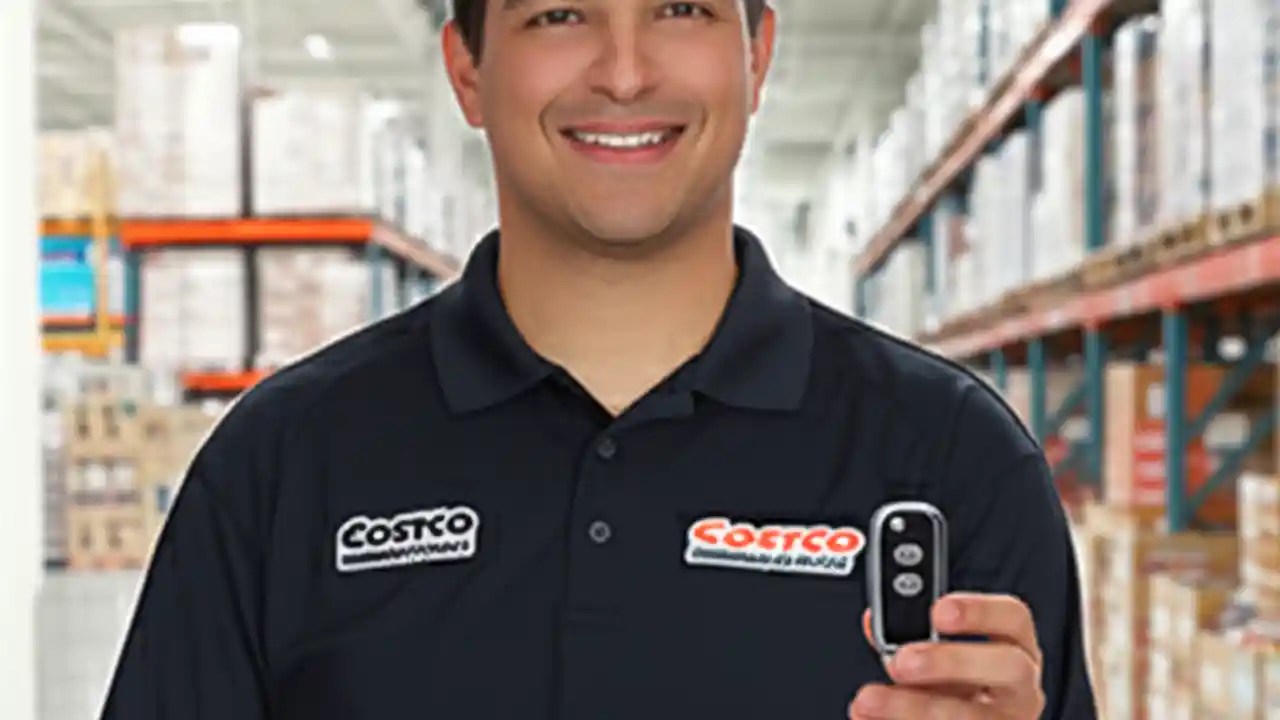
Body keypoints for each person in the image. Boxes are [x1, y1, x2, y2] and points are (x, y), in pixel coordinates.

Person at [100, 1, 1096, 718]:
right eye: (559, 15)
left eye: (678, 8)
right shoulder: (283, 462)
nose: (624, 71)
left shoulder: (953, 459)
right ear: (467, 70)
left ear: (756, 53)